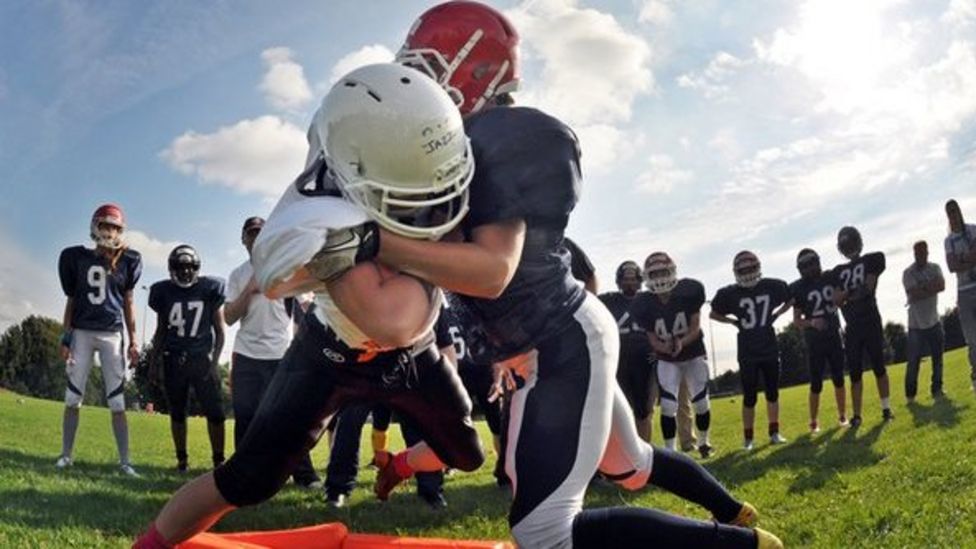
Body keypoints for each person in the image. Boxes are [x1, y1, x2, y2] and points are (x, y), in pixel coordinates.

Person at [316, 5, 781, 547]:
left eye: (426, 68)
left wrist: (373, 242)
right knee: (630, 466)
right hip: (548, 338)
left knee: (542, 530)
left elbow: (492, 271)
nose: (414, 83)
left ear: (474, 70)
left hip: (559, 339)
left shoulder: (508, 137)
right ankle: (737, 516)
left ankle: (745, 545)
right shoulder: (457, 145)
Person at [134, 63, 484, 548]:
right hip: (330, 355)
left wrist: (373, 243)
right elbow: (281, 280)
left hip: (412, 351)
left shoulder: (416, 158)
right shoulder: (314, 211)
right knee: (246, 479)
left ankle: (396, 464)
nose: (434, 201)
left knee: (467, 454)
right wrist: (332, 255)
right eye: (414, 191)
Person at [224, 216, 321, 488]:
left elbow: (306, 307)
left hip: (280, 354)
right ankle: (245, 475)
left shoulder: (286, 270)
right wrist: (250, 290)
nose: (256, 238)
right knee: (245, 418)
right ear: (243, 239)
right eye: (251, 233)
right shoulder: (238, 274)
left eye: (261, 233)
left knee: (288, 417)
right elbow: (229, 317)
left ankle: (303, 475)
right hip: (246, 354)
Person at [56, 203, 142, 476]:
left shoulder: (129, 260)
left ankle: (125, 461)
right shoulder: (76, 258)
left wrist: (133, 341)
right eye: (105, 225)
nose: (109, 231)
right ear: (95, 226)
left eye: (114, 227)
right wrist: (65, 336)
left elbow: (129, 303)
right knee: (72, 398)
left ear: (121, 230)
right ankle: (66, 455)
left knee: (117, 403)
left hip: (111, 334)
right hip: (81, 331)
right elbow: (71, 301)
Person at [149, 245, 226, 472]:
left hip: (201, 359)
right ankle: (182, 461)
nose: (184, 272)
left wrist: (214, 364)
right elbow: (161, 330)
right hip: (174, 358)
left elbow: (220, 331)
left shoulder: (210, 288)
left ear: (196, 268)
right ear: (172, 268)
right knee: (177, 412)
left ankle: (218, 461)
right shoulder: (163, 292)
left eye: (189, 267)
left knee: (215, 412)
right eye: (180, 267)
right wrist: (154, 362)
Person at [633, 252, 714, 458]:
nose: (659, 278)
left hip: (693, 353)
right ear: (647, 277)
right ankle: (670, 451)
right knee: (668, 405)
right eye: (655, 273)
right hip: (668, 358)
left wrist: (680, 342)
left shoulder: (689, 291)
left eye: (663, 272)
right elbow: (652, 340)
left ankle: (704, 442)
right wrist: (665, 347)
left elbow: (695, 328)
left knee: (701, 402)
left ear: (672, 271)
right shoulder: (644, 303)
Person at [710, 251, 791, 450]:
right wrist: (733, 321)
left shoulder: (772, 286)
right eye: (743, 270)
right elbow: (713, 313)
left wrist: (777, 314)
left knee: (772, 393)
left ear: (758, 267)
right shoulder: (729, 293)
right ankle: (748, 438)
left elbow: (791, 299)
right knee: (750, 396)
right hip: (747, 350)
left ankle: (774, 432)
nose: (747, 273)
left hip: (769, 346)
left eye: (750, 269)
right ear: (736, 271)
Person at [832, 226, 893, 427]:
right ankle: (857, 415)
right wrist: (851, 294)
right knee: (855, 373)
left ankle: (886, 408)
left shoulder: (872, 259)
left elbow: (867, 289)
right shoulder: (837, 272)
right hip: (853, 327)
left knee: (879, 366)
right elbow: (837, 300)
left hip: (870, 321)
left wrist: (847, 294)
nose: (849, 247)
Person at [789, 249, 848, 432]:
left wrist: (841, 296)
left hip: (833, 335)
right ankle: (813, 421)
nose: (809, 269)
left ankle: (842, 416)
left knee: (839, 378)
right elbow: (797, 320)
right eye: (806, 266)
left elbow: (841, 298)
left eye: (811, 264)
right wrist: (812, 322)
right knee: (816, 383)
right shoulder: (799, 288)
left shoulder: (830, 277)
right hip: (814, 339)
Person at [599, 260, 657, 441]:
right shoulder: (609, 300)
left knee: (643, 410)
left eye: (633, 279)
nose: (629, 283)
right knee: (618, 410)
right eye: (625, 279)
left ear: (640, 280)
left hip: (645, 361)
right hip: (619, 361)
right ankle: (626, 451)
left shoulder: (650, 299)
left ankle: (646, 449)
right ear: (618, 281)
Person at [903, 240, 946, 402]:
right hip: (915, 325)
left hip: (934, 321)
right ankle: (910, 395)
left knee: (938, 359)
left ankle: (937, 389)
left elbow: (942, 286)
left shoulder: (935, 268)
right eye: (917, 253)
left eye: (923, 252)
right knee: (913, 362)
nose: (920, 255)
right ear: (914, 254)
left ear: (927, 252)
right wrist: (930, 287)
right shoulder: (908, 273)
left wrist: (923, 289)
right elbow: (913, 293)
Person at [944, 199, 976, 394]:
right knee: (972, 338)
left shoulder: (973, 230)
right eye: (949, 213)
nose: (953, 215)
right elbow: (951, 266)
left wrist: (962, 259)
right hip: (963, 291)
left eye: (954, 211)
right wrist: (968, 258)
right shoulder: (949, 241)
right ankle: (975, 373)